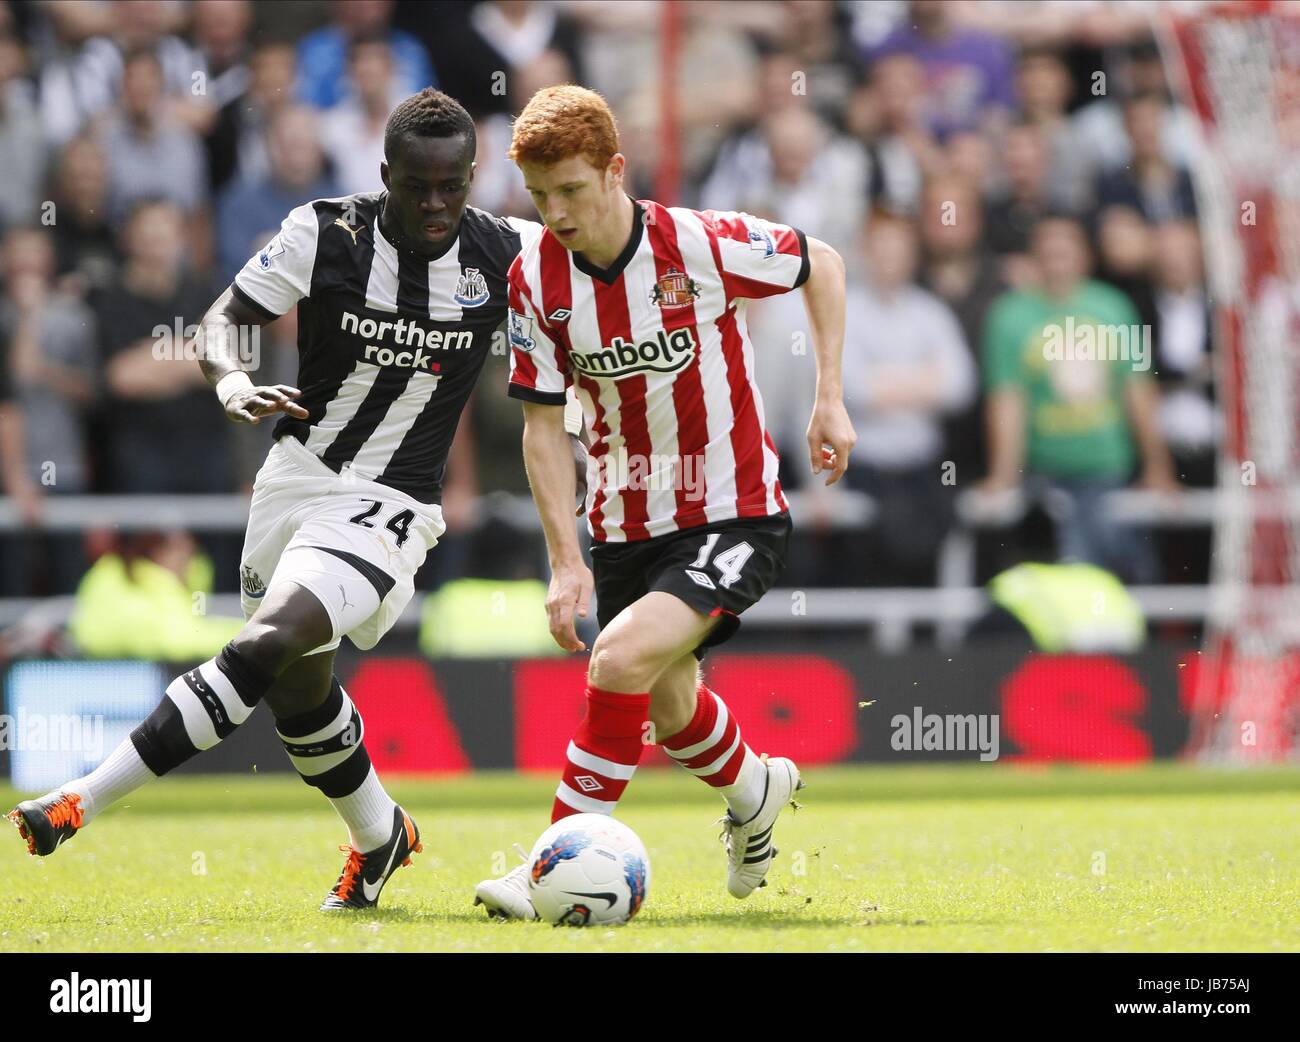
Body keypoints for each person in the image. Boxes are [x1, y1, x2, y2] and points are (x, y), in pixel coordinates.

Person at [9, 89, 546, 912]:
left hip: (392, 501)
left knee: (266, 640)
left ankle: (82, 796)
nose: (435, 205)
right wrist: (228, 380)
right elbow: (222, 322)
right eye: (416, 186)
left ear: (473, 176)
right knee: (297, 689)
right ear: (384, 174)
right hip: (295, 480)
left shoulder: (510, 252)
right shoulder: (325, 232)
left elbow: (623, 253)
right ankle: (380, 836)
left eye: (452, 186)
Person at [473, 85, 855, 919]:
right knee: (672, 704)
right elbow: (543, 431)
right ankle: (755, 790)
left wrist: (830, 396)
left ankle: (546, 866)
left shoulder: (697, 242)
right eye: (540, 197)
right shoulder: (533, 279)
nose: (557, 212)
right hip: (622, 525)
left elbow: (820, 261)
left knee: (616, 661)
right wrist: (566, 561)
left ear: (616, 170)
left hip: (732, 511)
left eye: (571, 189)